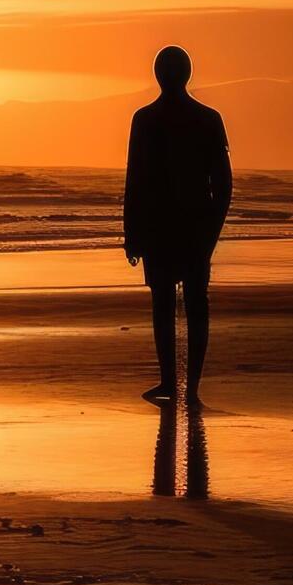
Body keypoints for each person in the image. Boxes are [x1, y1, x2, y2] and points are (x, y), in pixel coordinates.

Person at [122, 44, 230, 403]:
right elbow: (224, 185)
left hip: (160, 227)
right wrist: (211, 232)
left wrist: (132, 235)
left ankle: (172, 382)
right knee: (195, 305)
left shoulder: (146, 119)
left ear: (159, 75)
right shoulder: (207, 119)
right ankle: (189, 387)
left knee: (164, 305)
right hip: (194, 227)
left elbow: (134, 183)